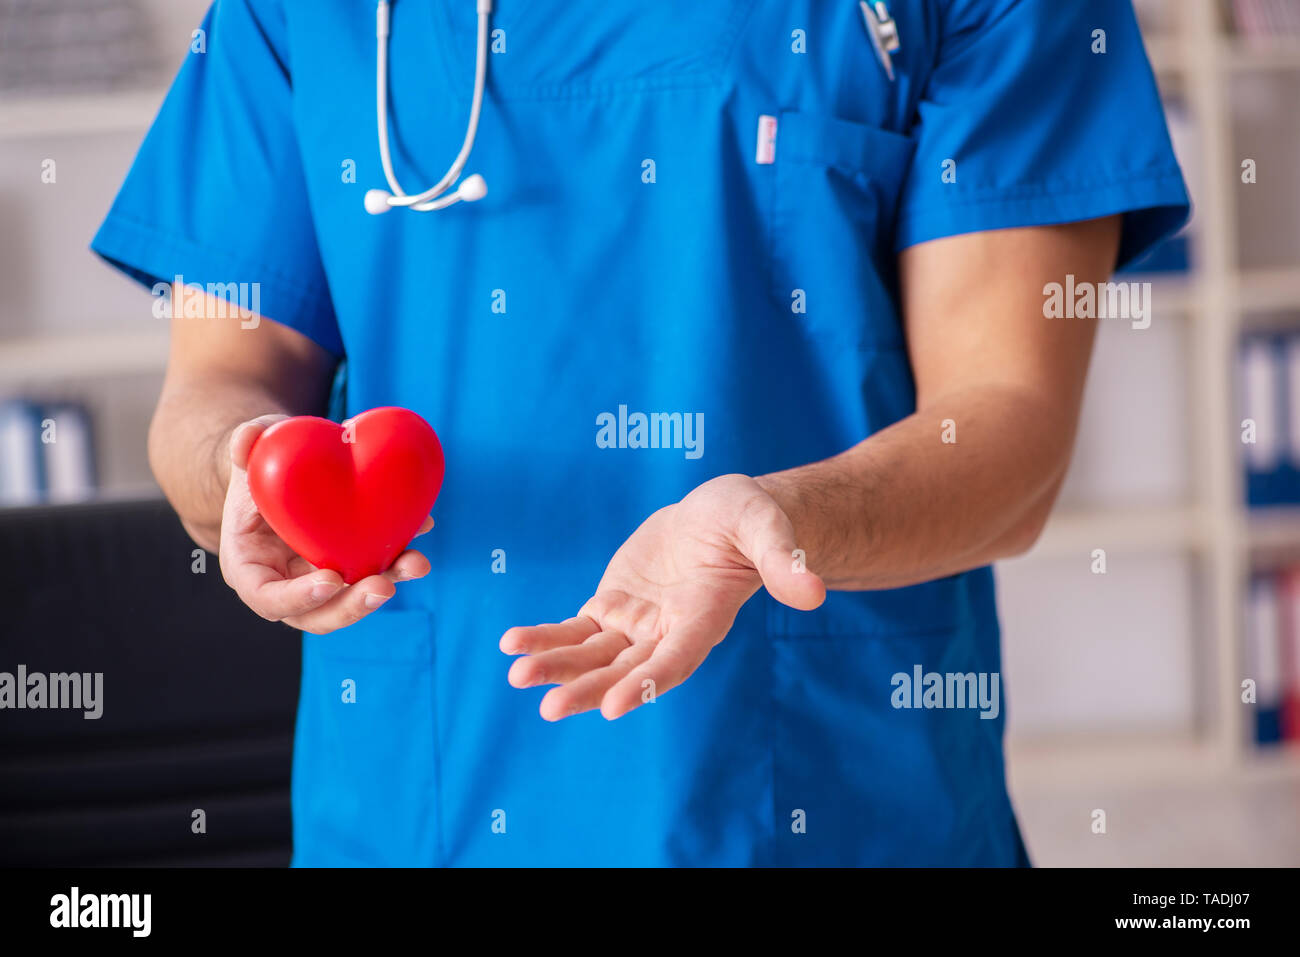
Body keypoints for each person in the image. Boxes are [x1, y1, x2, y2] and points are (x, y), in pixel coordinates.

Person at [92, 0, 1189, 866]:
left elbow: (1009, 432)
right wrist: (244, 471)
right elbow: (220, 383)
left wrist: (785, 521)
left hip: (836, 808)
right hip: (416, 808)